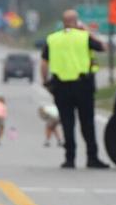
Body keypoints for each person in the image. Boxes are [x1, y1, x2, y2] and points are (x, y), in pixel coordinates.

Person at [41, 9, 107, 169]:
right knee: (87, 123)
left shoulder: (53, 39)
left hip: (60, 86)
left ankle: (69, 159)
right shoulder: (84, 37)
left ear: (63, 22)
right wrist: (88, 31)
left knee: (67, 122)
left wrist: (46, 83)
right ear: (77, 21)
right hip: (83, 85)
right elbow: (103, 47)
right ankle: (92, 158)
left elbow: (44, 64)